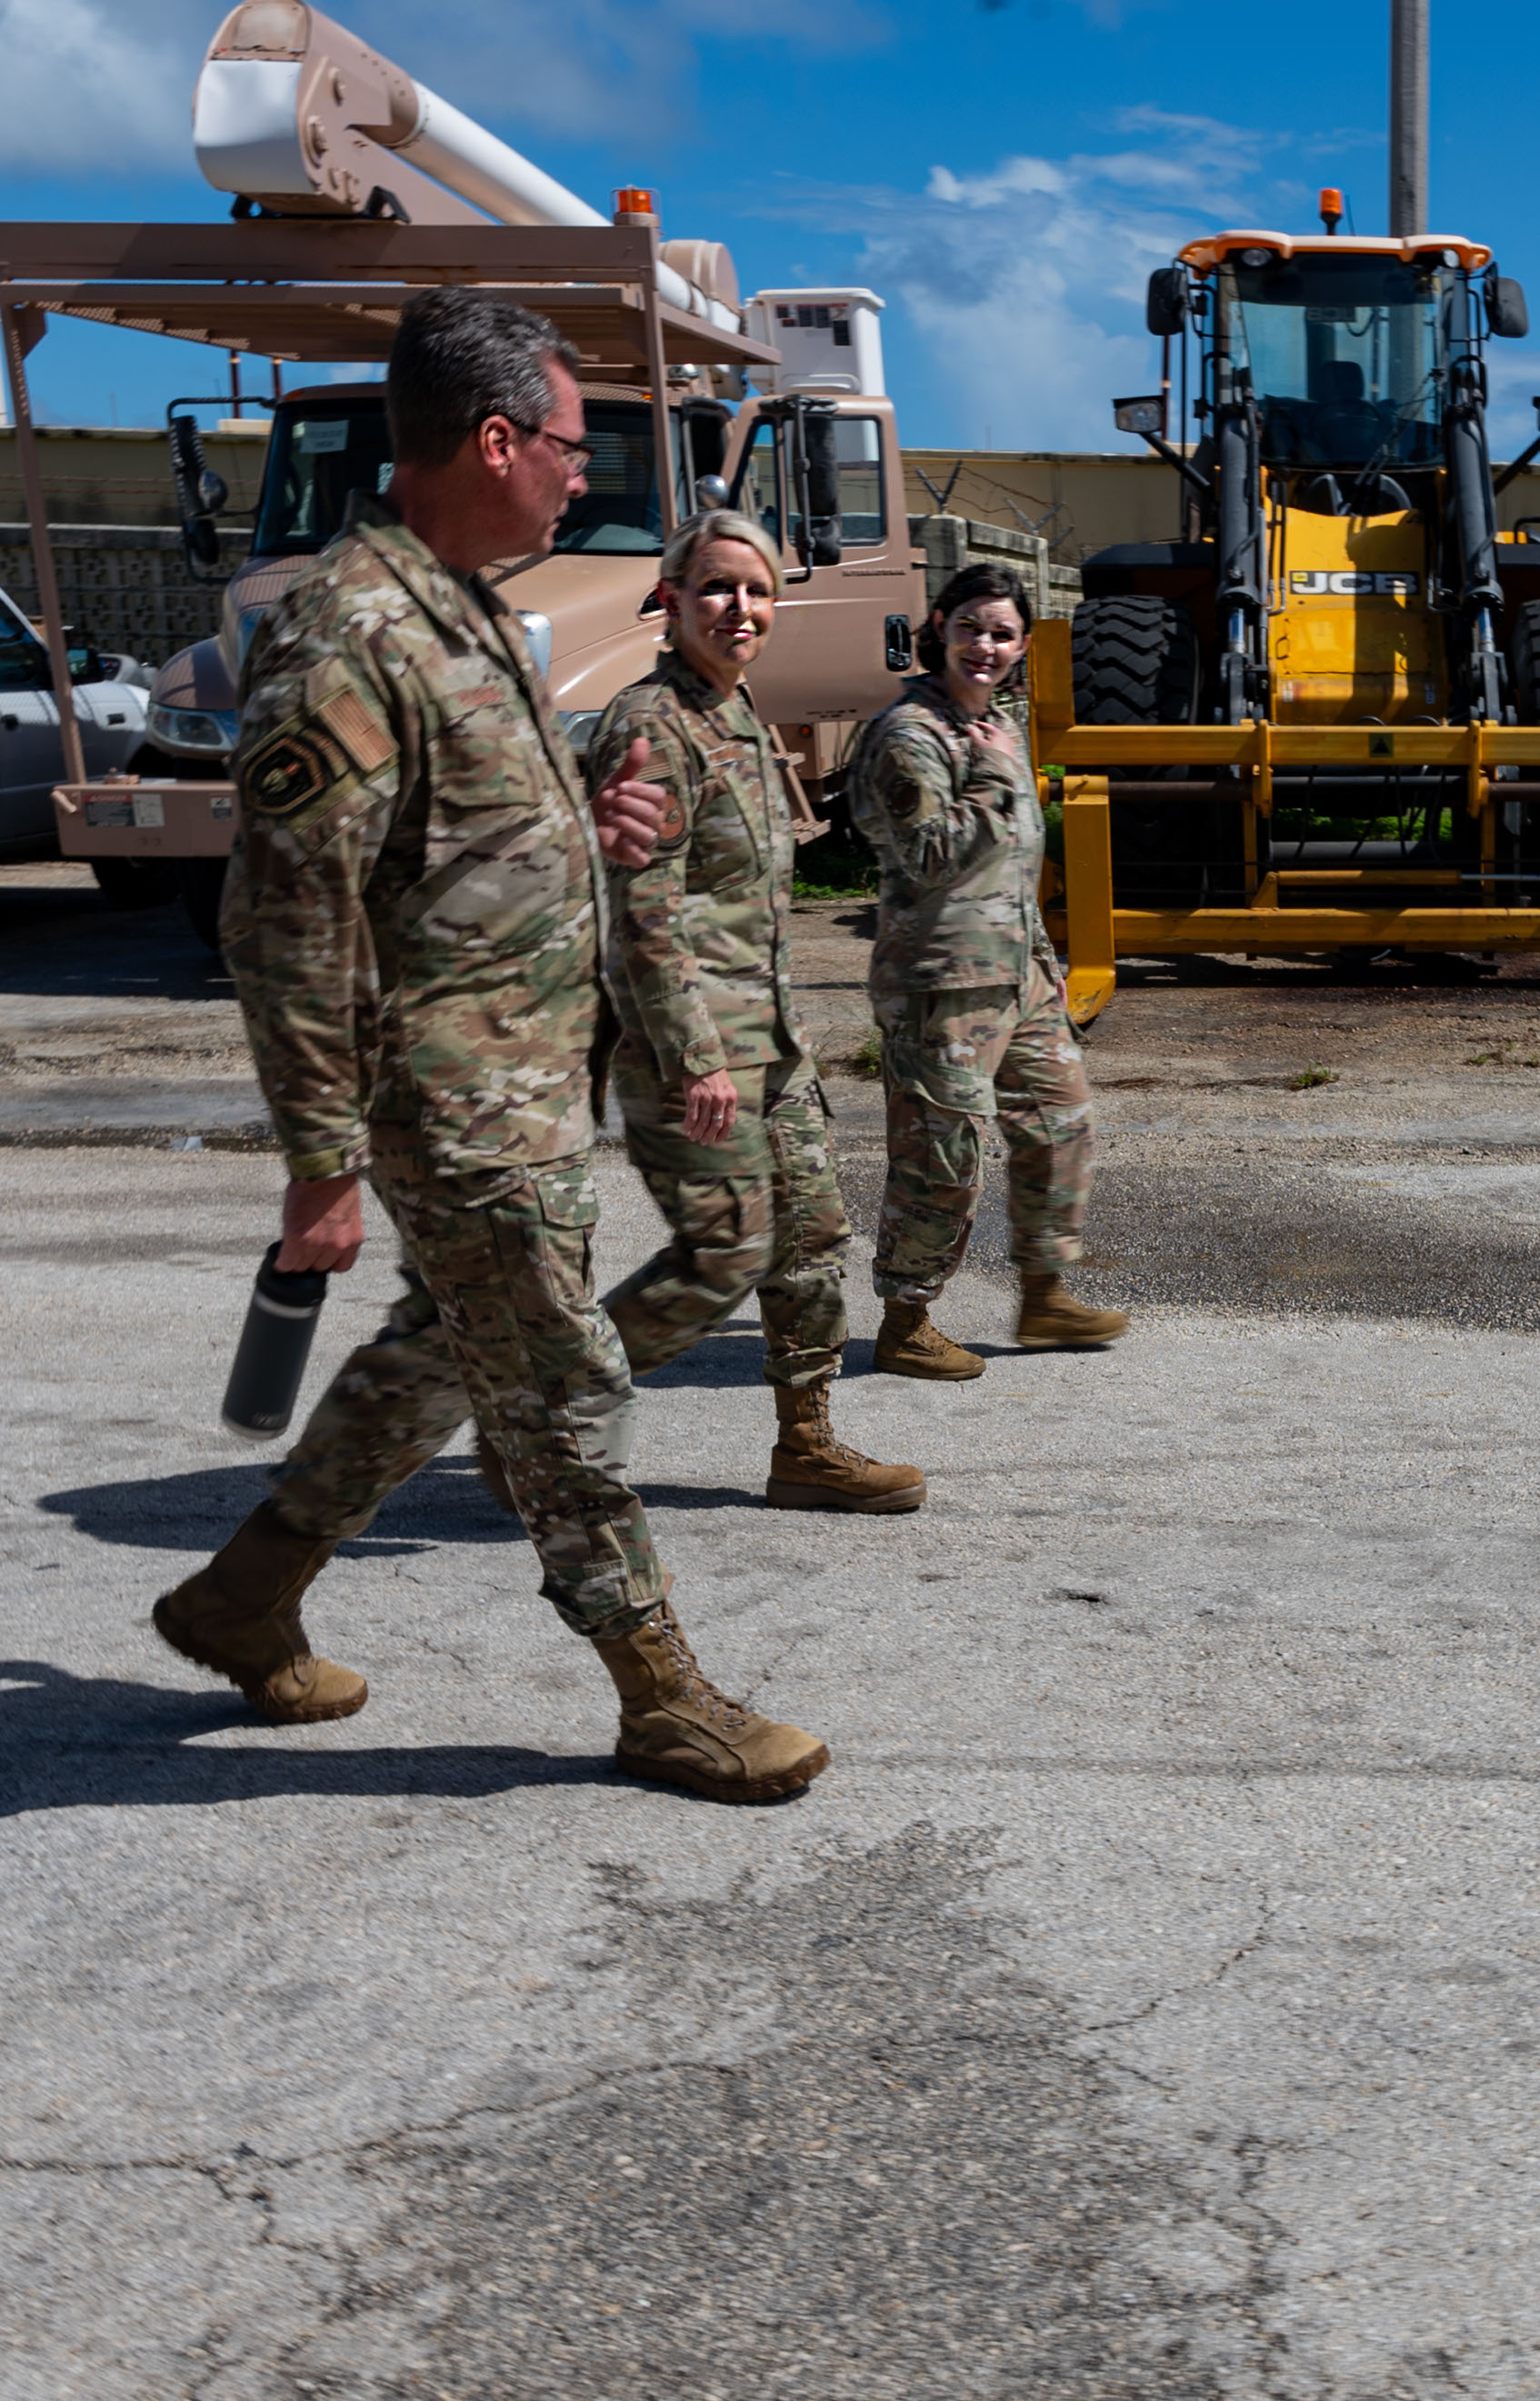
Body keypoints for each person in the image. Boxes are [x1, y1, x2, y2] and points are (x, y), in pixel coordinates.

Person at [151, 286, 825, 1804]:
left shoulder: (472, 613)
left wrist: (594, 823)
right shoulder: (348, 631)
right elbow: (288, 920)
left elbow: (439, 840)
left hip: (531, 1086)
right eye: (574, 444)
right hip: (452, 1105)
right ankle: (663, 1691)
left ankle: (239, 1594)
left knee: (439, 1358)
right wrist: (321, 1162)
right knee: (563, 1382)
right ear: (498, 435)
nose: (585, 473)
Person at [591, 507, 923, 1513]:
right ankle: (543, 1396)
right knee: (718, 1258)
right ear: (674, 597)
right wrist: (696, 1057)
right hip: (691, 1049)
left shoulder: (736, 712)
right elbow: (642, 911)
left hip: (768, 1042)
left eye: (758, 590)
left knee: (812, 1237)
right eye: (719, 588)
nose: (741, 608)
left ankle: (805, 1445)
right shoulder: (650, 724)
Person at [852, 562, 1126, 1380]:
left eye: (1003, 633)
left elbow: (1011, 866)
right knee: (943, 1153)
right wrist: (1002, 779)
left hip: (1018, 971)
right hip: (941, 981)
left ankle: (1043, 1295)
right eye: (971, 626)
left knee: (1059, 1122)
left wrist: (1047, 965)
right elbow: (929, 854)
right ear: (939, 624)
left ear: (1023, 644)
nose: (985, 645)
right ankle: (906, 1319)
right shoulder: (912, 736)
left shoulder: (996, 724)